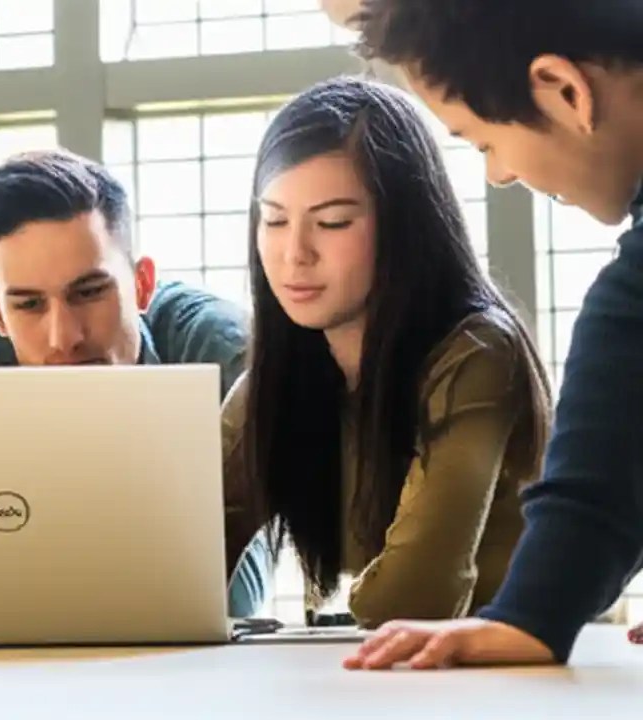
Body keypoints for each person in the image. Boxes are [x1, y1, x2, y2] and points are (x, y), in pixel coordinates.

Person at [333, 0, 643, 670]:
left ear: (564, 90)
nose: (498, 173)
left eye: (483, 142)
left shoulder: (632, 300)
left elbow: (603, 480)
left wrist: (532, 614)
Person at [220, 76, 552, 633]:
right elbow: (177, 559)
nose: (293, 254)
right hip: (399, 671)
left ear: (404, 228)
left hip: (523, 668)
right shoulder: (282, 377)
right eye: (273, 219)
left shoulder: (475, 354)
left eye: (332, 222)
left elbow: (417, 593)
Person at [0, 149, 270, 617]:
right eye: (29, 305)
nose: (64, 338)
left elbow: (236, 594)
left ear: (142, 283)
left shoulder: (223, 349)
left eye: (89, 292)